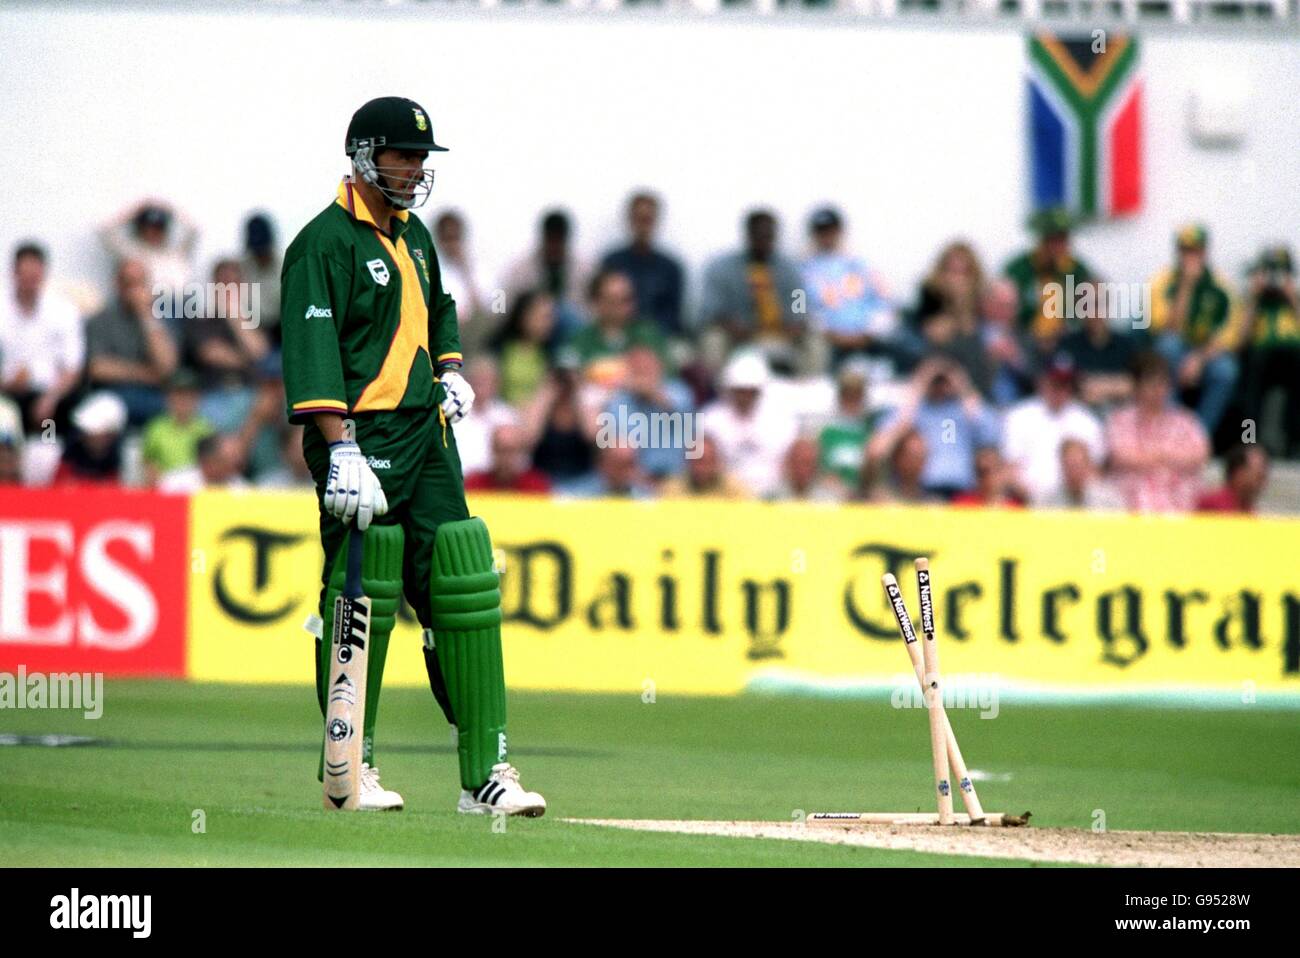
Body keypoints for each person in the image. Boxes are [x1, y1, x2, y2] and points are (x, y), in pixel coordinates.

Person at [278, 96, 544, 816]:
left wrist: (451, 367)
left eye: (422, 157)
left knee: (462, 579)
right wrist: (338, 450)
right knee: (363, 585)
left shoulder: (416, 235)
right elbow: (311, 350)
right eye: (403, 155)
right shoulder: (322, 244)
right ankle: (349, 764)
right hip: (363, 437)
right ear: (364, 156)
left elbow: (440, 307)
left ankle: (484, 773)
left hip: (427, 436)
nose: (416, 169)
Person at [1145, 225, 1243, 436]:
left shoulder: (1222, 284)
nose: (1190, 257)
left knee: (1226, 371)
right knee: (1167, 349)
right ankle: (1171, 428)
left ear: (1205, 252)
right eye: (1185, 251)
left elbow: (1229, 336)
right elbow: (1163, 329)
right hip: (1177, 349)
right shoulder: (1161, 281)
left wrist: (1198, 359)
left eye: (1195, 251)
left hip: (1206, 353)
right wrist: (1186, 287)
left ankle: (1198, 436)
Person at [699, 210, 805, 370]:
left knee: (815, 341)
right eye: (758, 235)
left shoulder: (791, 270)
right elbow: (711, 311)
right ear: (748, 235)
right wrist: (733, 327)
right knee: (713, 338)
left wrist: (794, 326)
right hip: (737, 338)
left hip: (780, 336)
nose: (763, 241)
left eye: (768, 236)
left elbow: (800, 306)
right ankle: (717, 392)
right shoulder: (722, 268)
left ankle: (807, 390)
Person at [1105, 352, 1210, 513]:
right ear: (1137, 386)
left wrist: (1154, 455)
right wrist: (1168, 457)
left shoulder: (1186, 421)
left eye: (1162, 384)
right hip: (1131, 509)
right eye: (1151, 384)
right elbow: (1121, 456)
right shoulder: (1120, 420)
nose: (1158, 390)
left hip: (1178, 509)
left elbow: (1199, 455)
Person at [83, 258, 178, 427]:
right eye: (128, 283)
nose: (134, 290)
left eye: (139, 283)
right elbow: (98, 368)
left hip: (155, 395)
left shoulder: (163, 317)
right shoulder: (100, 319)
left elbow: (167, 367)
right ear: (117, 285)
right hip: (113, 393)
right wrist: (147, 375)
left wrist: (146, 315)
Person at [0, 243, 84, 434]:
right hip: (7, 394)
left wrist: (51, 398)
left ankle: (49, 453)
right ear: (14, 273)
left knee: (54, 426)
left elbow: (73, 367)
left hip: (52, 396)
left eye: (35, 275)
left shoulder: (64, 311)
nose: (30, 280)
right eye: (25, 274)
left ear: (43, 274)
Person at [1000, 355, 1105, 505]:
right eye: (1055, 383)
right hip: (1027, 503)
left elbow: (1095, 472)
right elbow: (1009, 469)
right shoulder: (1018, 416)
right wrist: (1038, 501)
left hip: (1075, 505)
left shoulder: (1087, 421)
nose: (1060, 389)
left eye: (1065, 384)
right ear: (1042, 381)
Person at [801, 207, 893, 370]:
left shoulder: (862, 265)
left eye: (831, 230)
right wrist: (829, 334)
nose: (827, 236)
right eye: (821, 231)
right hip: (827, 343)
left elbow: (884, 302)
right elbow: (798, 310)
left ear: (840, 231)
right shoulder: (801, 270)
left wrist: (869, 333)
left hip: (869, 341)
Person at [697, 350, 798, 498]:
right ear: (729, 388)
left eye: (751, 390)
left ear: (760, 390)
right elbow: (700, 464)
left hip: (772, 495)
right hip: (724, 495)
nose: (745, 396)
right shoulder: (709, 419)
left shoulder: (782, 420)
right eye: (740, 390)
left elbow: (789, 463)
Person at [1003, 207, 1095, 345]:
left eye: (1062, 239)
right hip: (1024, 341)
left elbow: (1088, 312)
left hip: (1067, 342)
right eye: (1052, 240)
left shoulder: (1077, 271)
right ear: (1041, 240)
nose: (1058, 247)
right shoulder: (1019, 269)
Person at [1241, 246, 1300, 457]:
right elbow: (1240, 339)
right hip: (1259, 359)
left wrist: (1292, 298)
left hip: (1293, 358)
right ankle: (1249, 440)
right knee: (1250, 380)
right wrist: (1254, 298)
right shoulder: (1253, 302)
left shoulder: (1295, 300)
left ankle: (1294, 444)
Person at [600, 192, 685, 338]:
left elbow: (673, 315)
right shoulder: (612, 262)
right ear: (630, 220)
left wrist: (648, 334)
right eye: (639, 219)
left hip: (659, 337)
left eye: (647, 220)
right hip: (617, 335)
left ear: (655, 221)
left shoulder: (671, 267)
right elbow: (604, 306)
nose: (643, 226)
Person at [140, 370, 215, 486]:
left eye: (189, 395)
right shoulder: (156, 428)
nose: (183, 400)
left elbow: (210, 467)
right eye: (178, 394)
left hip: (196, 488)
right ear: (168, 398)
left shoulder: (206, 429)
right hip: (165, 490)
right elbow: (148, 463)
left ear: (197, 399)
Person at [1041, 438, 1125, 511]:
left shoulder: (1108, 499)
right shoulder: (1048, 502)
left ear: (1087, 465)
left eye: (1078, 465)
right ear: (1062, 467)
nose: (1074, 471)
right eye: (1069, 466)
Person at [464, 424, 551, 495]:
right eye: (501, 450)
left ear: (521, 452)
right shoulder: (474, 485)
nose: (506, 457)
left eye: (512, 450)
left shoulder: (536, 486)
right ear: (492, 451)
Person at [1196, 444, 1270, 514]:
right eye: (1257, 474)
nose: (1262, 478)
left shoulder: (1249, 510)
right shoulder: (1213, 505)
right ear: (1238, 472)